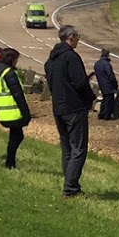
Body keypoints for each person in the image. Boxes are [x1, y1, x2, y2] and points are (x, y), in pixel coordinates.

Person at [44, 25, 95, 197]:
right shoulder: (71, 57)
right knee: (78, 149)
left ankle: (70, 183)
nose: (79, 40)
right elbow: (80, 83)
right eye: (78, 36)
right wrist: (90, 99)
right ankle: (71, 188)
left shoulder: (51, 60)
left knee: (67, 148)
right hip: (74, 107)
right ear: (71, 37)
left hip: (59, 107)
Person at [0, 47, 32, 168]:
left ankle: (10, 162)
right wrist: (26, 113)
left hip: (3, 111)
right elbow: (18, 94)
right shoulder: (9, 73)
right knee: (17, 136)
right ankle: (10, 162)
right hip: (13, 111)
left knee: (16, 136)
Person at [94, 48, 119, 120]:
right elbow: (110, 75)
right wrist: (115, 84)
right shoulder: (106, 64)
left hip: (101, 84)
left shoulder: (97, 64)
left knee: (104, 100)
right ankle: (106, 116)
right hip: (108, 85)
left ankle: (101, 114)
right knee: (109, 101)